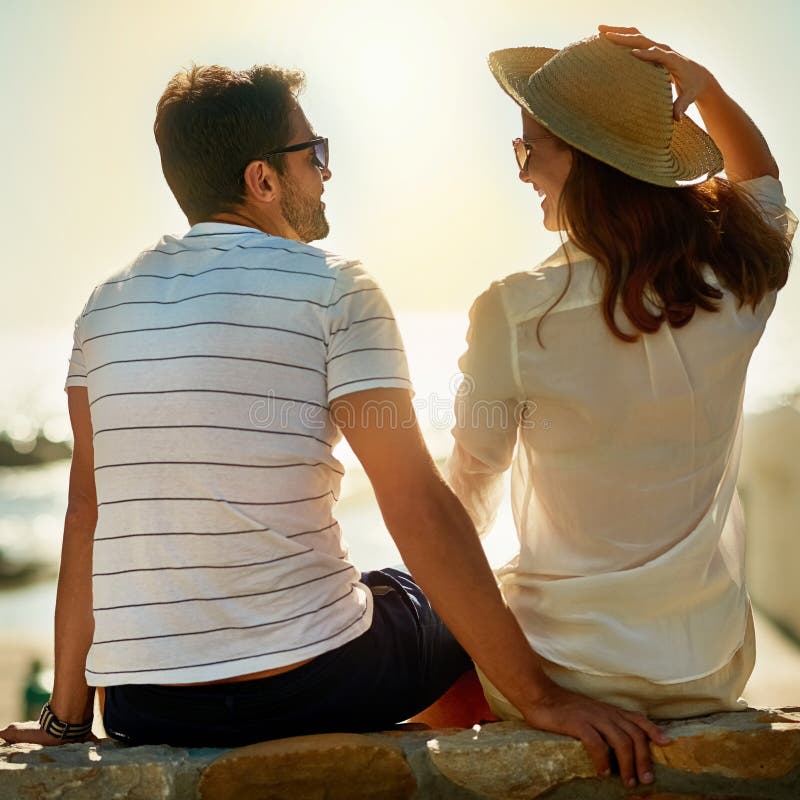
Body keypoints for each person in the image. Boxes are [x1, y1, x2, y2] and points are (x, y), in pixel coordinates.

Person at [0, 61, 668, 788]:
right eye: (313, 154)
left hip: (148, 707)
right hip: (317, 684)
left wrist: (66, 722)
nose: (325, 173)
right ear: (263, 180)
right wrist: (544, 698)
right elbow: (414, 502)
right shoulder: (335, 289)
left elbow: (88, 513)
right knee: (483, 594)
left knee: (393, 588)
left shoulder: (104, 308)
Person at [447, 24, 795, 749]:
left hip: (563, 669)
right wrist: (707, 87)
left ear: (582, 159)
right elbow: (762, 184)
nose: (520, 172)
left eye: (528, 149)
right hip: (706, 669)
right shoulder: (737, 284)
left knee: (425, 638)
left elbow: (467, 498)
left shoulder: (515, 311)